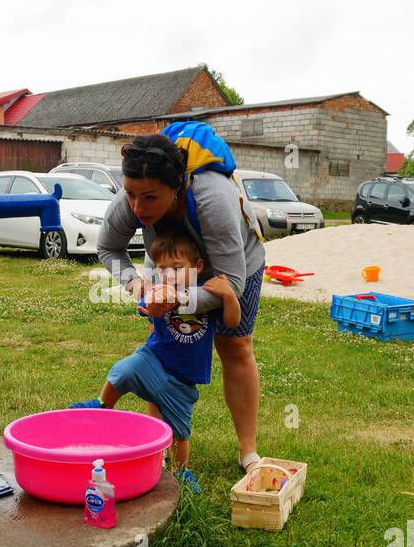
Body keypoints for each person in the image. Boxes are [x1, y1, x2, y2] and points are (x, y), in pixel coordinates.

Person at [95, 122, 267, 475]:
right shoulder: (134, 195)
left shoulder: (213, 198)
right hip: (172, 262)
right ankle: (159, 442)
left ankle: (248, 452)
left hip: (235, 267)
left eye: (150, 198)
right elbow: (108, 247)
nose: (138, 207)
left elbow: (231, 283)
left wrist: (180, 300)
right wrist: (135, 284)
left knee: (235, 345)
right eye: (130, 194)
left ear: (176, 187)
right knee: (162, 351)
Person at [71, 231, 241, 490]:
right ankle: (102, 405)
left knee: (180, 432)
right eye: (163, 269)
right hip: (153, 361)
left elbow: (232, 322)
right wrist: (151, 304)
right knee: (124, 369)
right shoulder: (158, 293)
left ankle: (180, 471)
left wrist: (228, 296)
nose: (169, 275)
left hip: (183, 379)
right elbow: (144, 307)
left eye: (177, 267)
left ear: (197, 267)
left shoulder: (206, 296)